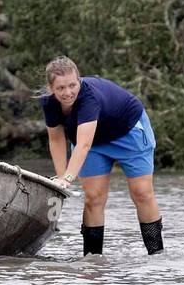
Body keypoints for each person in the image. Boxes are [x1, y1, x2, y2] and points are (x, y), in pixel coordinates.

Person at [41, 56, 164, 256]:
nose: (68, 92)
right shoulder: (49, 102)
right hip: (94, 143)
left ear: (79, 80)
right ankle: (92, 260)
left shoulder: (89, 97)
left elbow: (83, 144)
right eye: (61, 88)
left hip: (128, 132)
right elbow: (56, 140)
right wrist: (61, 176)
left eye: (73, 85)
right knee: (93, 198)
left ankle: (156, 254)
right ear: (51, 88)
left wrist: (70, 178)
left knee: (141, 192)